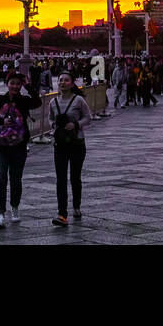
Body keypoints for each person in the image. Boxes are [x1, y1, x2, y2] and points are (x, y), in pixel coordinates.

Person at [0, 72, 42, 229]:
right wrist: (1, 121)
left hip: (19, 145)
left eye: (18, 84)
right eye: (12, 83)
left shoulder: (24, 101)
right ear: (7, 83)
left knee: (16, 178)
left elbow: (37, 102)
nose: (15, 86)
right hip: (0, 145)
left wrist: (28, 86)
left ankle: (15, 207)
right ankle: (0, 214)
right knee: (1, 179)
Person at [49, 71, 93, 225]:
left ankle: (76, 206)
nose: (62, 83)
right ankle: (62, 214)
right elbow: (50, 119)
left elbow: (88, 117)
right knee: (60, 179)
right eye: (60, 80)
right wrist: (54, 126)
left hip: (76, 143)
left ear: (72, 83)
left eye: (66, 80)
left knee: (75, 177)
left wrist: (75, 124)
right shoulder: (53, 102)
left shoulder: (79, 100)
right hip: (60, 144)